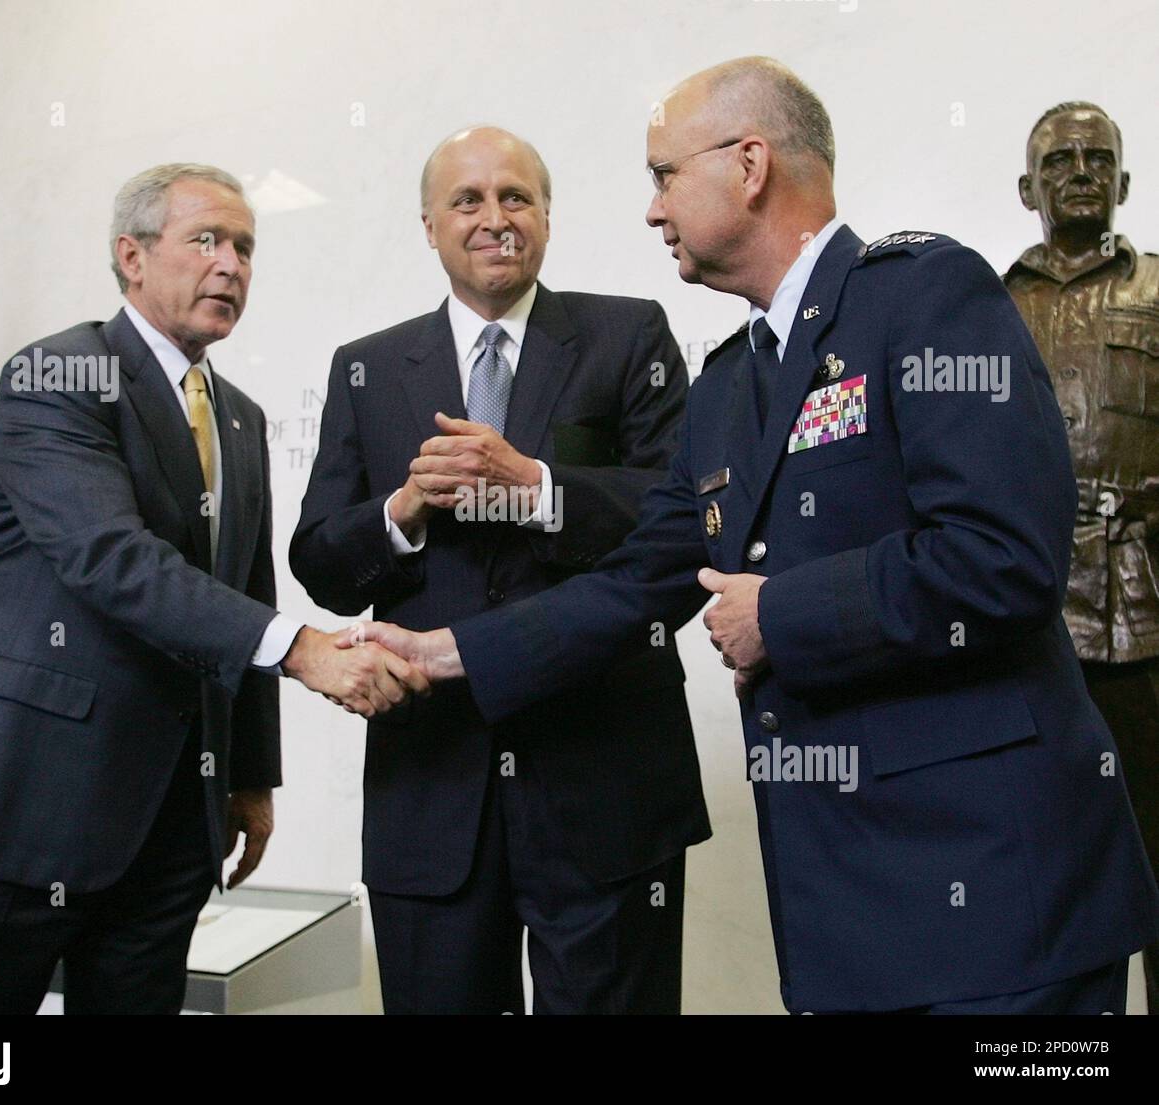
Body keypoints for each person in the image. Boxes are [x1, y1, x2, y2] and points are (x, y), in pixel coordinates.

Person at [346, 61, 1159, 1013]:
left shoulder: (927, 293)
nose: (652, 211)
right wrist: (445, 652)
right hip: (850, 917)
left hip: (1002, 909)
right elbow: (635, 580)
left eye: (663, 176)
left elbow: (1004, 559)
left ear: (750, 165)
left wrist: (783, 612)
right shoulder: (731, 382)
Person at [0, 163, 425, 1015]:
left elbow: (242, 582)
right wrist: (302, 648)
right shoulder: (58, 376)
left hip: (173, 825)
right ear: (131, 256)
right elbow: (114, 558)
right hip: (21, 802)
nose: (231, 265)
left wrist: (251, 776)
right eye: (206, 240)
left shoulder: (243, 416)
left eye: (246, 248)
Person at [290, 127, 708, 1014]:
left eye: (516, 196)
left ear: (548, 215)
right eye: (468, 201)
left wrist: (541, 485)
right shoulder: (365, 368)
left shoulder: (630, 333)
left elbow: (685, 519)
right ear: (430, 226)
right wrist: (399, 512)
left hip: (605, 783)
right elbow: (319, 561)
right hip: (431, 792)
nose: (495, 218)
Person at [1004, 101, 1159, 1013]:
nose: (1079, 172)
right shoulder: (985, 304)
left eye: (1098, 158)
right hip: (1027, 627)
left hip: (1150, 625)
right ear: (1027, 188)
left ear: (1126, 183)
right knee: (1050, 884)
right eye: (1058, 159)